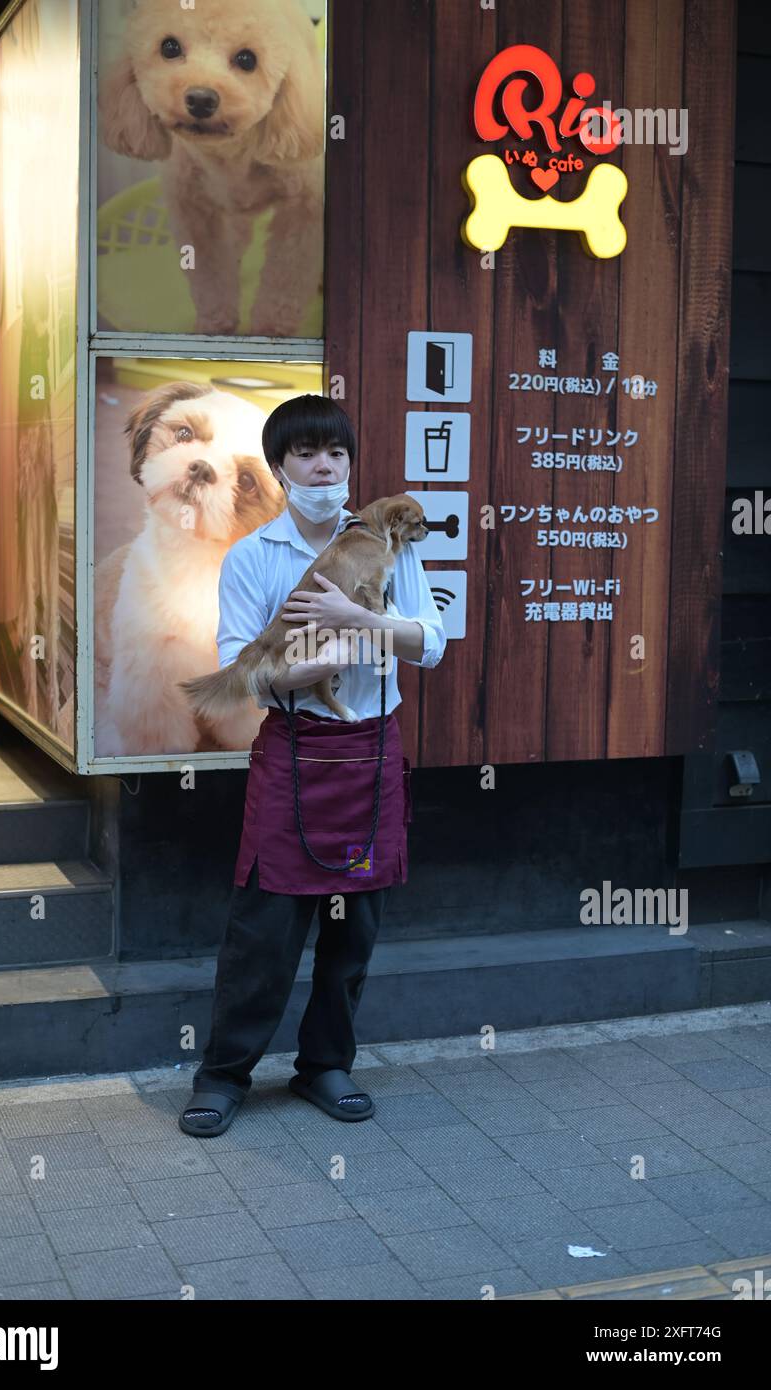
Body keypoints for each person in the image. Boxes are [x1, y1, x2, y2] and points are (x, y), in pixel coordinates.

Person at [179, 394, 446, 1137]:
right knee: (262, 930)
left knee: (355, 929)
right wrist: (307, 667)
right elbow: (240, 673)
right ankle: (223, 1075)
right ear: (280, 469)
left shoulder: (396, 545)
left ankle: (326, 1064)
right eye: (307, 454)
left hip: (371, 750)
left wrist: (362, 625)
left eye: (337, 454)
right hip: (296, 750)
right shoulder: (253, 558)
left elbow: (431, 642)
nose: (325, 467)